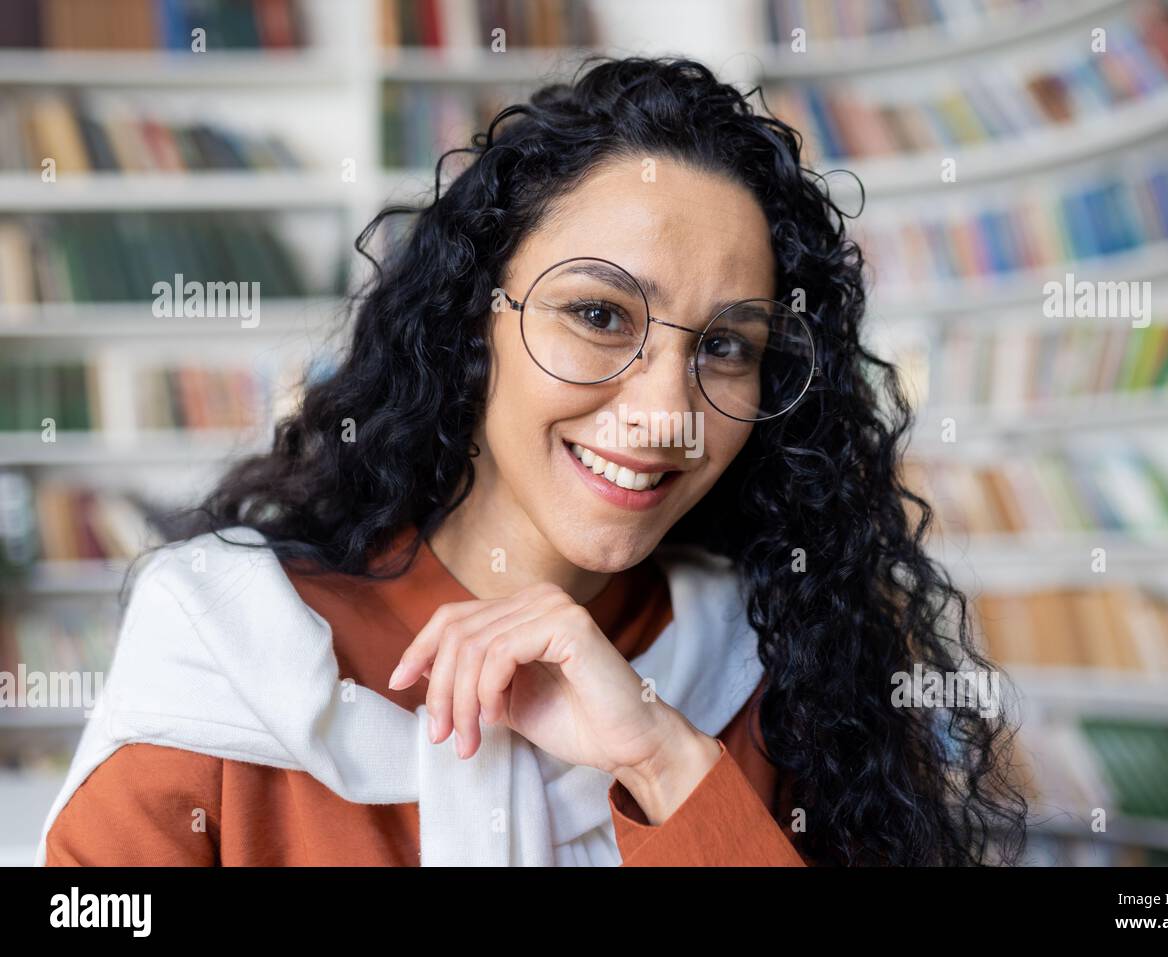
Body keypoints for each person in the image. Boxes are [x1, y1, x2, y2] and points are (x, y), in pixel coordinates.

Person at [40, 56, 1026, 867]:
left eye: (726, 345)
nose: (663, 413)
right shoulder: (229, 641)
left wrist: (662, 757)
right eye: (598, 316)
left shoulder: (764, 663)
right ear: (474, 323)